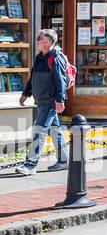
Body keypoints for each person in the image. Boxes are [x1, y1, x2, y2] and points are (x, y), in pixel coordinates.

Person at [17, 29, 70, 175]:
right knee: (55, 131)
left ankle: (30, 164)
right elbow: (33, 77)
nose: (36, 40)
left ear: (47, 42)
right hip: (41, 100)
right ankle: (64, 160)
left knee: (39, 131)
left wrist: (59, 100)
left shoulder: (55, 57)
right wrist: (25, 93)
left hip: (50, 102)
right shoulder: (39, 57)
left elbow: (61, 81)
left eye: (39, 38)